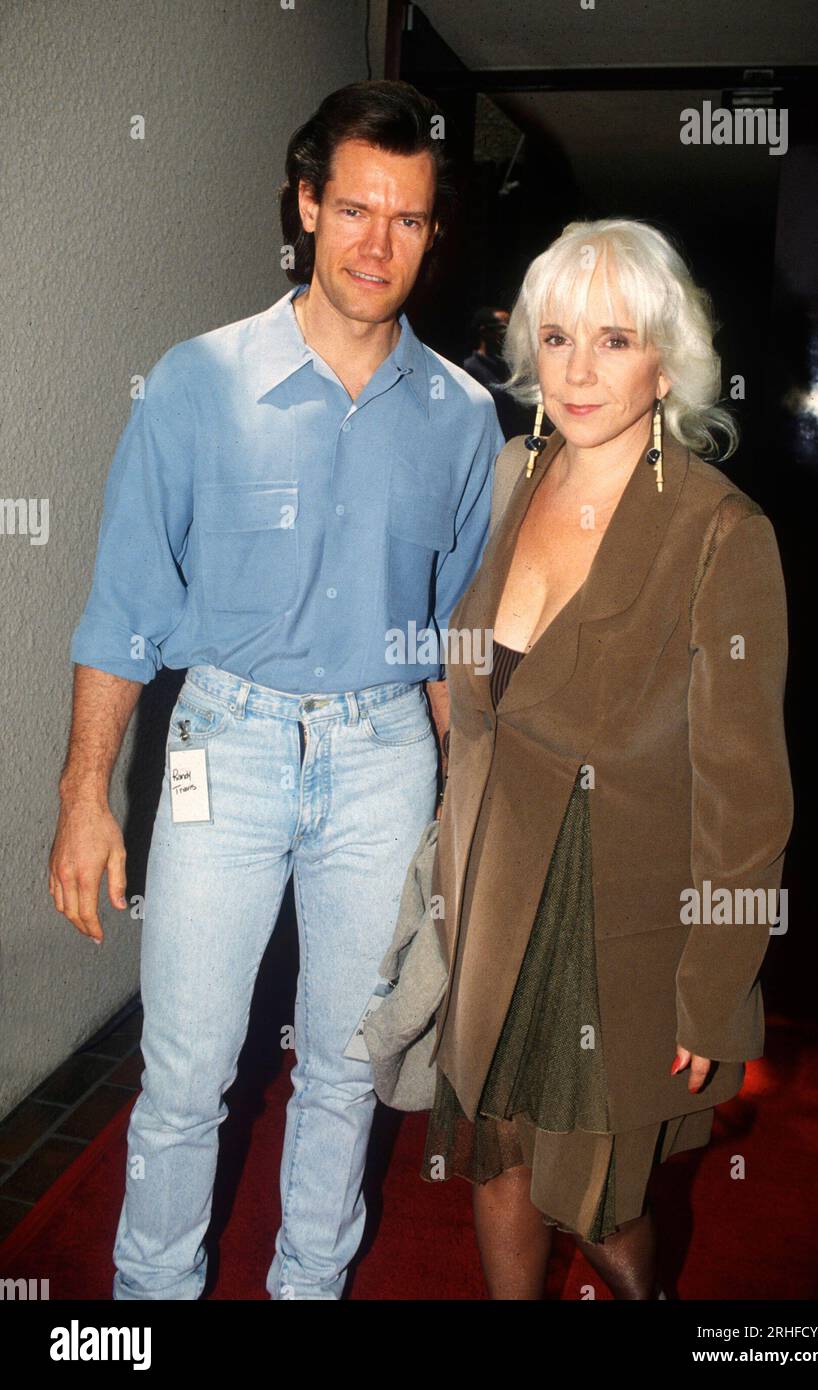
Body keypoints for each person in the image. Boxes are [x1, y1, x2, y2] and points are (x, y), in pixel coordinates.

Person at [48, 78, 505, 1300]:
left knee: (348, 1067)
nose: (377, 244)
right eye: (354, 209)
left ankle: (310, 1285)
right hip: (225, 746)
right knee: (188, 1069)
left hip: (385, 759)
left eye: (407, 220)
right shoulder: (196, 381)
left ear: (431, 232)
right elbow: (125, 604)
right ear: (306, 205)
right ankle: (152, 1302)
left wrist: (469, 812)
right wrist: (87, 792)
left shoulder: (465, 420)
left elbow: (458, 636)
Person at [421, 217, 794, 1299]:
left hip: (608, 915)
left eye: (615, 339)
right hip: (494, 901)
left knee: (597, 1200)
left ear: (667, 360)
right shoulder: (513, 472)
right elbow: (476, 683)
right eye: (556, 336)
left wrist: (712, 989)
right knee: (494, 1154)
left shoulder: (722, 534)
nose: (579, 369)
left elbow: (747, 796)